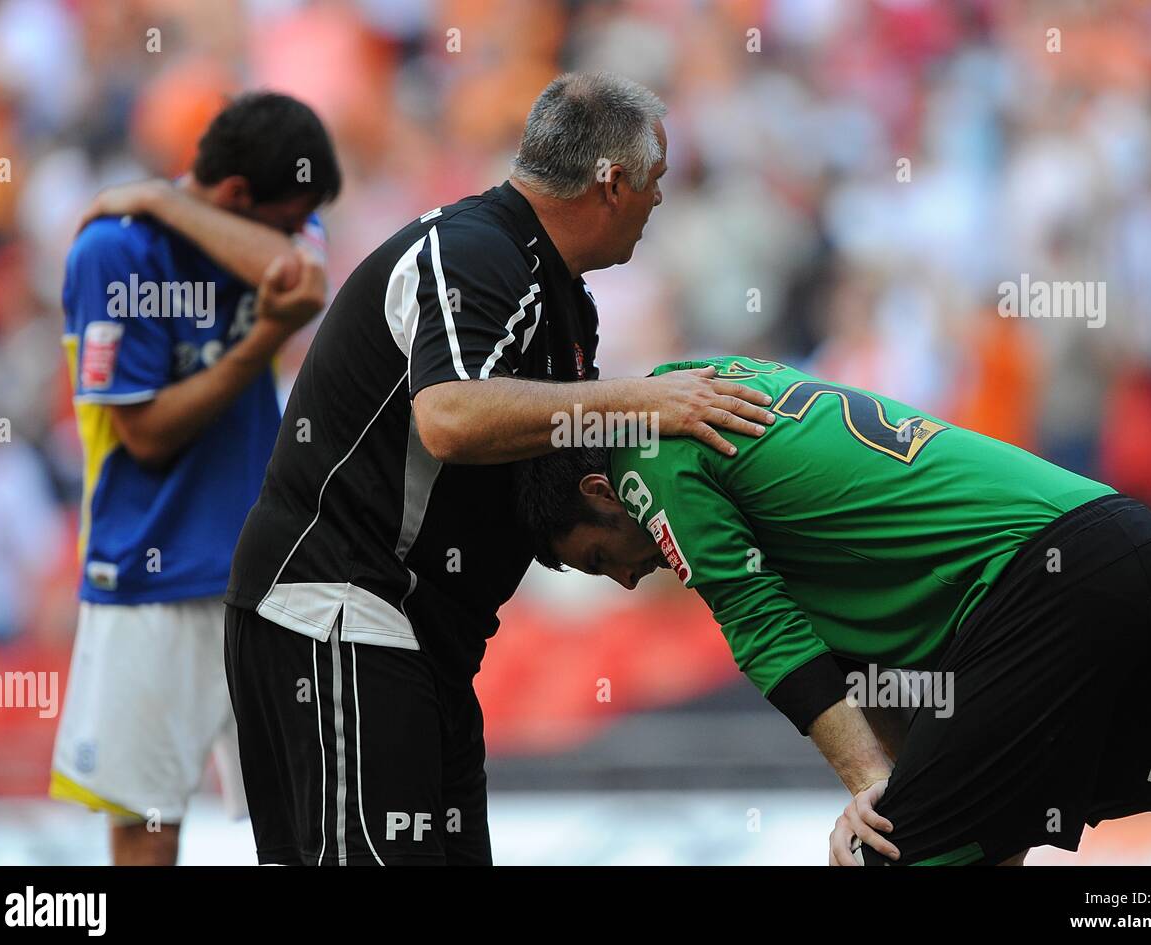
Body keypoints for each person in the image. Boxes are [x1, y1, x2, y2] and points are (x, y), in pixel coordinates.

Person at [223, 72, 774, 866]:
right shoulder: (474, 251)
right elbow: (449, 417)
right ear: (611, 183)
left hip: (426, 640)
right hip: (340, 610)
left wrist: (629, 538)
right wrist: (647, 401)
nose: (660, 203)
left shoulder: (564, 301)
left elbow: (544, 487)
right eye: (655, 184)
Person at [513, 355, 1151, 866]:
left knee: (886, 853)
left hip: (1060, 577)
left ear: (603, 491)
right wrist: (899, 788)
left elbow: (757, 623)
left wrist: (873, 790)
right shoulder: (703, 384)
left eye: (601, 557)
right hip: (1122, 549)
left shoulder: (647, 457)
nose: (626, 582)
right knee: (974, 849)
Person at [50, 91, 341, 865]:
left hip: (264, 570)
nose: (301, 230)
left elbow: (303, 280)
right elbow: (144, 435)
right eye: (288, 216)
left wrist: (160, 199)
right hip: (146, 573)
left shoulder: (210, 220)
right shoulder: (112, 252)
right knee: (146, 824)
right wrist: (259, 343)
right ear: (241, 197)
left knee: (310, 815)